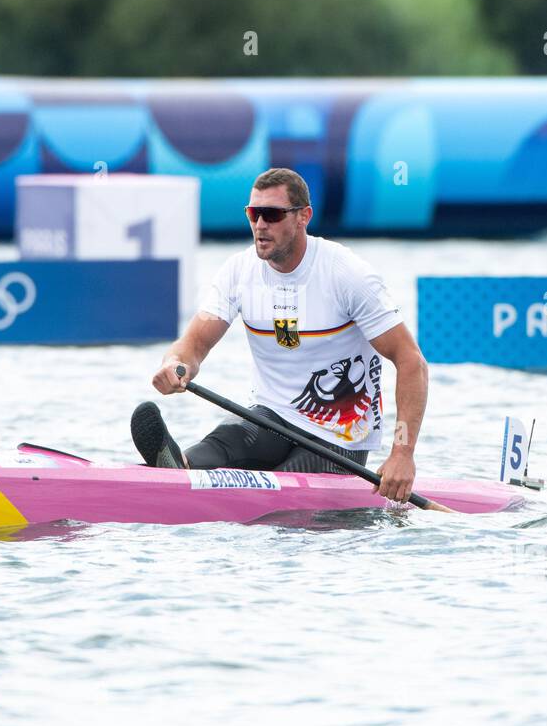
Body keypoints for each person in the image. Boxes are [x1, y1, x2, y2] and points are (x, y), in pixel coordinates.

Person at [130, 167, 432, 505]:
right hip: (271, 416)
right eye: (253, 214)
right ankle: (178, 470)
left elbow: (411, 362)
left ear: (304, 217)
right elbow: (195, 343)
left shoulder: (347, 274)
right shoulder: (238, 272)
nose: (260, 225)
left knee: (282, 499)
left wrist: (402, 454)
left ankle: (194, 483)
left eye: (272, 215)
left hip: (339, 436)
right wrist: (176, 364)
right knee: (222, 443)